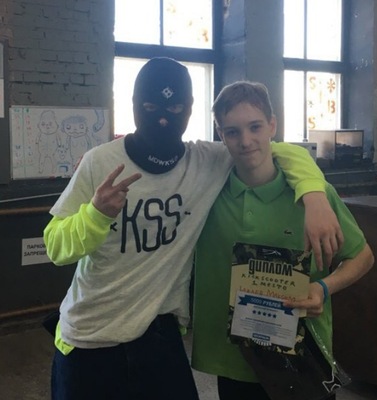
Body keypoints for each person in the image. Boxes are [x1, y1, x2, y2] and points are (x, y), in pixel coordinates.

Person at [44, 58, 343, 400]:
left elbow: (275, 151)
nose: (162, 119)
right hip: (90, 335)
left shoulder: (205, 161)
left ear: (188, 110)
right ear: (134, 105)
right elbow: (55, 247)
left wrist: (314, 195)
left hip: (159, 333)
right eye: (150, 108)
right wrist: (95, 215)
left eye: (174, 109)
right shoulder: (100, 162)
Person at [191, 81, 374, 400]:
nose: (245, 141)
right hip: (235, 361)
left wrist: (323, 288)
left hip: (303, 360)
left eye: (255, 127)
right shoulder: (208, 194)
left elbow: (362, 257)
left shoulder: (315, 198)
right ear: (221, 135)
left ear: (272, 125)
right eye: (232, 132)